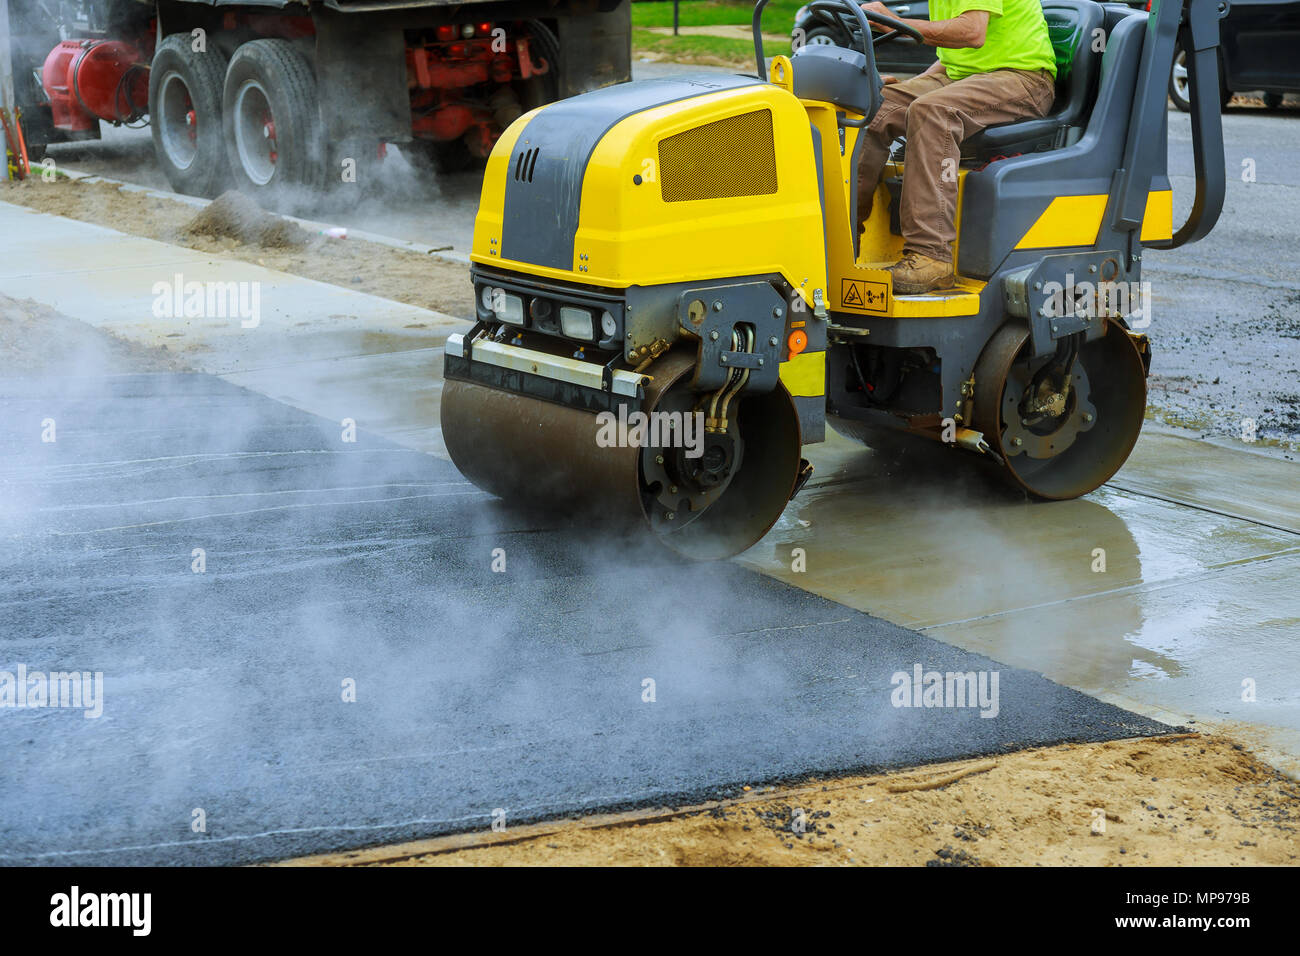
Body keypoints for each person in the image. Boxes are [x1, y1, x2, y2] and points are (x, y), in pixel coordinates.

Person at [855, 0, 1058, 293]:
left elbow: (972, 33)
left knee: (932, 111)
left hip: (1022, 79)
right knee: (873, 107)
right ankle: (844, 240)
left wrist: (895, 22)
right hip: (961, 76)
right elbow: (955, 55)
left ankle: (931, 256)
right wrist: (913, 85)